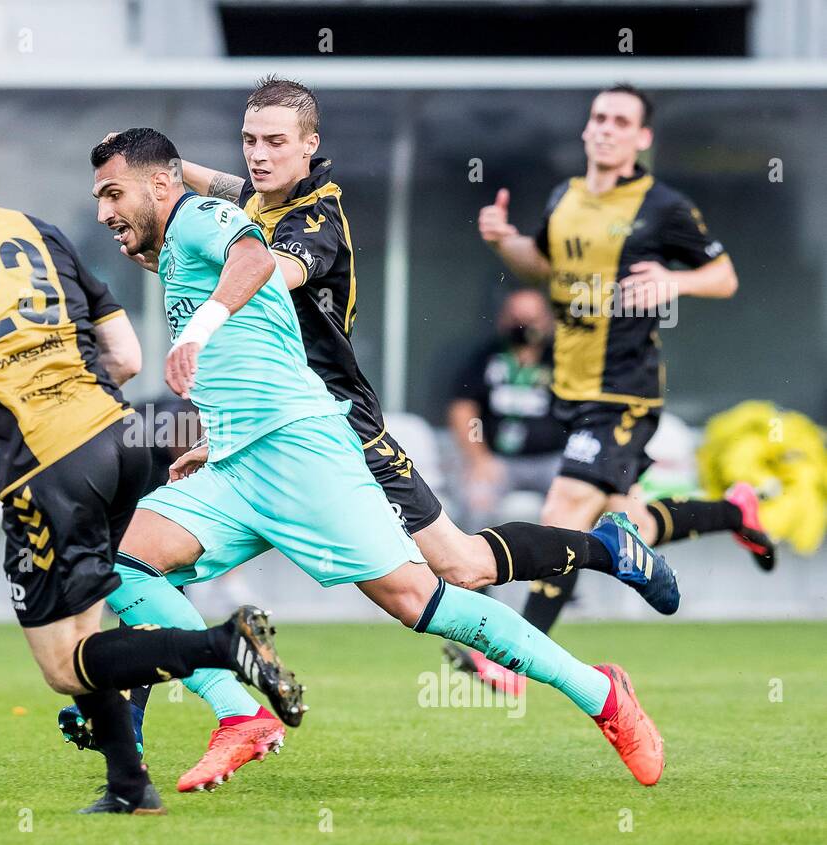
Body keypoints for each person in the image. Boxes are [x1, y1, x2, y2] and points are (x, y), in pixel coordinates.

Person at [64, 79, 679, 791]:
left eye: (275, 142)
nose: (258, 156)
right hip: (249, 446)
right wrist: (150, 170)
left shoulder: (304, 219)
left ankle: (602, 657)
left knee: (444, 584)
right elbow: (210, 197)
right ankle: (210, 719)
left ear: (310, 146)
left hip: (328, 430)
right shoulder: (237, 205)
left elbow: (259, 264)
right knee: (128, 562)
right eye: (249, 140)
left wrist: (198, 322)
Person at [0, 111, 296, 815]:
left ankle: (224, 643)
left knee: (64, 665)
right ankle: (129, 787)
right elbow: (125, 355)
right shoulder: (35, 230)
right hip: (121, 440)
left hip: (48, 468)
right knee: (89, 629)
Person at [477, 83, 775, 634]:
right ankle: (736, 512)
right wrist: (503, 240)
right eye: (600, 118)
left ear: (642, 138)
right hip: (570, 387)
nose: (607, 129)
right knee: (631, 521)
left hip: (623, 390)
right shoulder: (564, 198)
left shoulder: (662, 207)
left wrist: (675, 281)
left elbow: (724, 276)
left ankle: (515, 656)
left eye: (621, 121)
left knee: (564, 511)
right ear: (586, 128)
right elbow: (540, 264)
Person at [446, 288, 565, 533]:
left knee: (575, 500)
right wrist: (479, 456)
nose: (523, 326)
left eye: (531, 319)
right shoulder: (485, 358)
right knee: (477, 499)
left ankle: (562, 559)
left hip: (552, 460)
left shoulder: (561, 361)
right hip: (497, 460)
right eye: (516, 318)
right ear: (503, 320)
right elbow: (464, 411)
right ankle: (476, 557)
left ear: (547, 321)